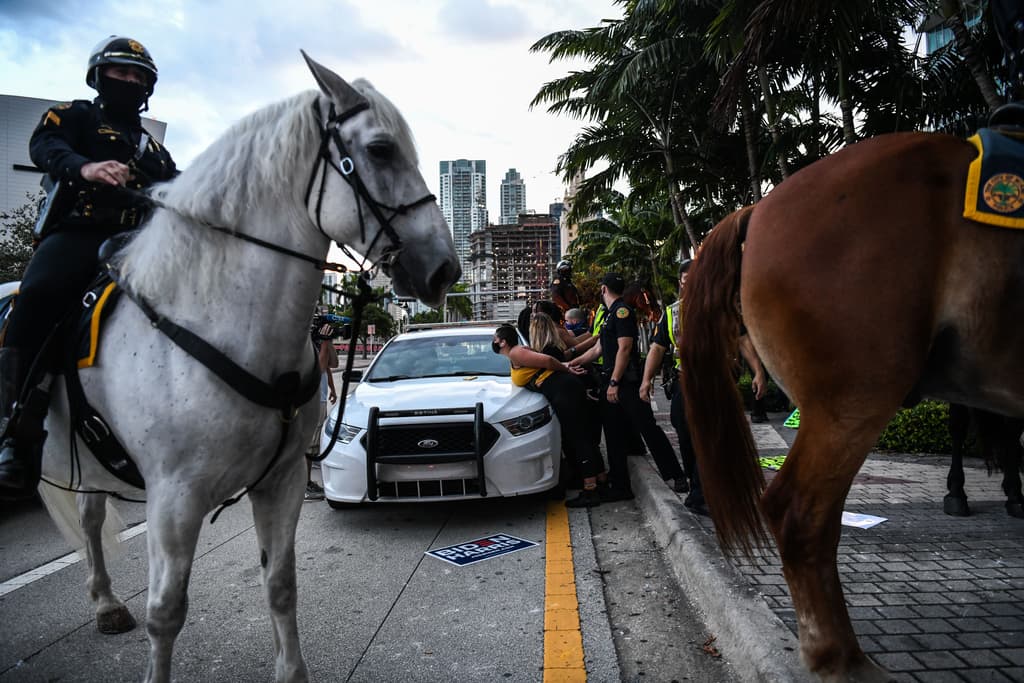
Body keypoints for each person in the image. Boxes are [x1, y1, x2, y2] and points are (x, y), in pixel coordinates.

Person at [0, 36, 178, 500]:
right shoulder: (74, 115)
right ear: (100, 76)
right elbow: (45, 146)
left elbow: (182, 191)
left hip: (138, 247)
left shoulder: (155, 153)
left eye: (139, 76)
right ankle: (17, 430)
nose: (131, 81)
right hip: (78, 237)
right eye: (122, 73)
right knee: (34, 298)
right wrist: (85, 168)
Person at [570, 273, 686, 500]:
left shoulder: (622, 312)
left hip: (626, 384)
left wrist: (614, 381)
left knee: (648, 428)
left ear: (604, 289)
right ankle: (620, 486)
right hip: (610, 384)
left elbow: (624, 348)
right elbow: (597, 350)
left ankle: (676, 475)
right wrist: (569, 363)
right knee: (613, 436)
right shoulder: (609, 315)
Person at [491, 324, 605, 507]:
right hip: (562, 391)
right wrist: (567, 367)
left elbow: (549, 362)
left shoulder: (516, 353)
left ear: (503, 341)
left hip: (564, 390)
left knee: (578, 438)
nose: (494, 342)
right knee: (578, 437)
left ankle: (590, 490)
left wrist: (566, 369)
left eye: (495, 338)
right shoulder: (516, 354)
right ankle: (599, 479)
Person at [306, 322, 339, 501]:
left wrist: (332, 388)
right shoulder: (307, 344)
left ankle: (306, 483)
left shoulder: (319, 344)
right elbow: (318, 368)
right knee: (310, 445)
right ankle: (304, 485)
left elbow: (331, 364)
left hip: (320, 398)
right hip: (311, 400)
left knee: (314, 443)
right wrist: (325, 342)